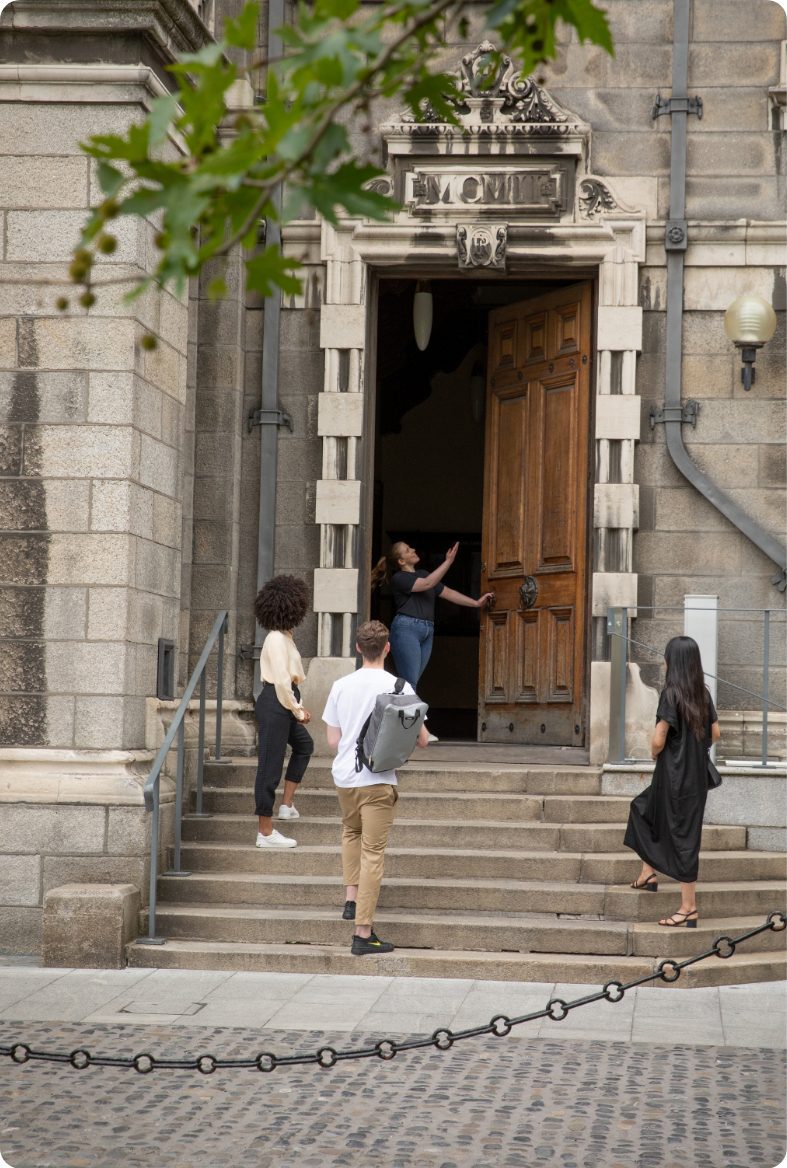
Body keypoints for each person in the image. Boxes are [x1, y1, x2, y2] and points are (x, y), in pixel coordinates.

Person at [322, 619, 429, 955]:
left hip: (345, 779)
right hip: (378, 779)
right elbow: (423, 740)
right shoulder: (400, 686)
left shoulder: (340, 685)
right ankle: (363, 933)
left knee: (351, 833)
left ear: (357, 648)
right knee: (373, 853)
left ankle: (351, 899)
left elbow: (333, 740)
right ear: (387, 648)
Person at [624, 635, 721, 928]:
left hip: (673, 776)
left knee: (683, 838)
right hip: (694, 779)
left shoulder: (671, 694)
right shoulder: (702, 693)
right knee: (643, 809)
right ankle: (647, 873)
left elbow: (657, 739)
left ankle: (688, 908)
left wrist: (655, 751)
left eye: (666, 657)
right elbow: (715, 734)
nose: (664, 662)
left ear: (674, 662)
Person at [370, 540, 494, 706]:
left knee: (409, 683)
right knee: (410, 683)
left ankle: (395, 717)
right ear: (401, 561)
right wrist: (448, 561)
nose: (413, 549)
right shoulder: (400, 578)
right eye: (407, 550)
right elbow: (428, 584)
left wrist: (476, 604)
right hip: (407, 629)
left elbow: (448, 593)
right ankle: (412, 729)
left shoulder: (423, 573)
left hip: (427, 630)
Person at [252, 575, 314, 849]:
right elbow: (280, 681)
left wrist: (296, 707)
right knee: (270, 765)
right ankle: (265, 832)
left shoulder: (285, 637)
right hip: (276, 701)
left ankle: (286, 804)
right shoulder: (276, 639)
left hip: (283, 701)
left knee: (304, 746)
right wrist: (298, 711)